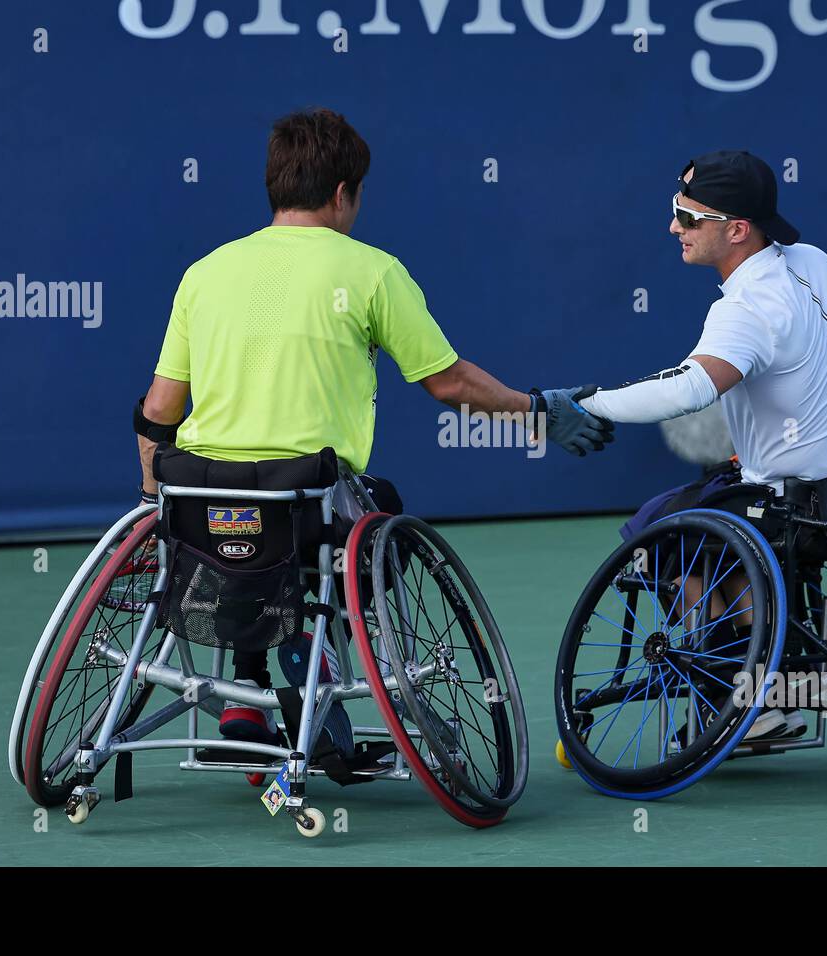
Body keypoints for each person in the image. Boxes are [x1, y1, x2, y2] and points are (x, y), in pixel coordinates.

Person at [133, 108, 613, 753]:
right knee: (371, 519)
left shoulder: (205, 271)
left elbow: (161, 409)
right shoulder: (372, 270)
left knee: (253, 538)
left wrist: (151, 500)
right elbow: (449, 383)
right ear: (342, 194)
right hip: (307, 499)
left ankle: (243, 697)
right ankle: (316, 674)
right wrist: (535, 409)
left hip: (198, 502)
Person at [542, 149, 827, 740]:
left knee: (658, 530)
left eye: (686, 215)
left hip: (797, 503)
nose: (673, 227)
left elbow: (690, 389)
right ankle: (778, 642)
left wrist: (583, 404)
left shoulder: (747, 307)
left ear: (736, 229)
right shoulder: (816, 262)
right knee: (715, 499)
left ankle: (747, 698)